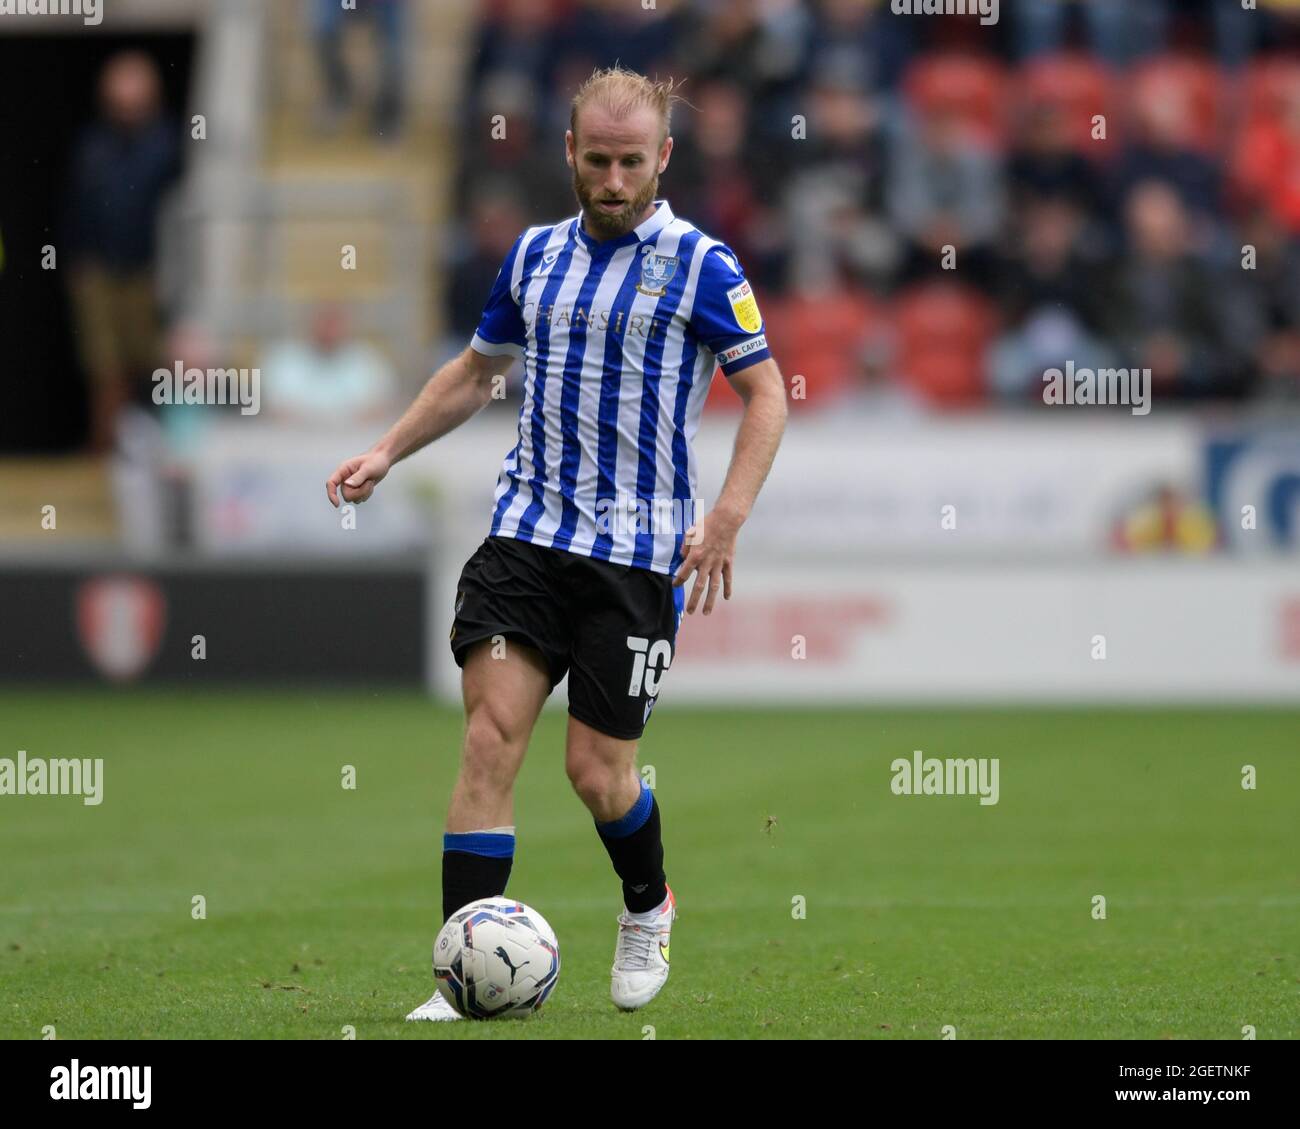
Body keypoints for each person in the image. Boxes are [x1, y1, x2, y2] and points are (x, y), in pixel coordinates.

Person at [326, 66, 788, 1019]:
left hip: (635, 553)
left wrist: (729, 514)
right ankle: (462, 976)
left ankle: (647, 902)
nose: (613, 180)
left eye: (631, 162)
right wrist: (386, 447)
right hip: (527, 536)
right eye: (596, 160)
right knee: (490, 738)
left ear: (662, 158)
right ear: (570, 154)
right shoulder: (534, 255)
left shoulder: (704, 265)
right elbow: (475, 369)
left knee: (596, 772)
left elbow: (768, 394)